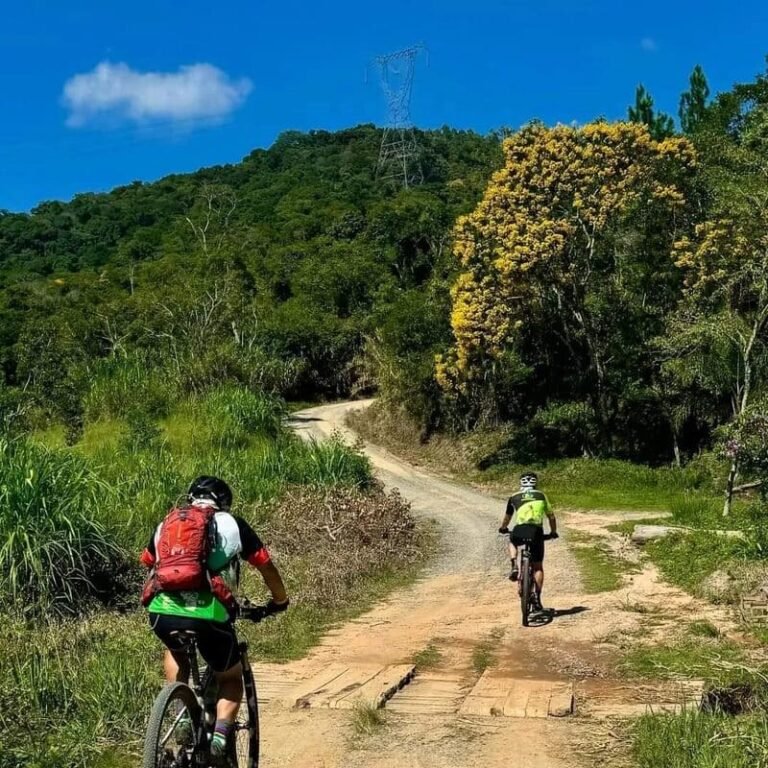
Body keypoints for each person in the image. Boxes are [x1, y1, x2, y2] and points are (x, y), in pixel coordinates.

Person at [141, 476, 289, 764]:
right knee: (230, 677)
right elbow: (265, 565)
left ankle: (181, 711)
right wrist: (280, 600)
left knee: (175, 650)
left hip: (161, 610)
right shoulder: (232, 524)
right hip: (208, 615)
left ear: (191, 498)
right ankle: (220, 736)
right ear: (224, 502)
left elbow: (147, 561)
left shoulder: (167, 524)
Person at [498, 471, 557, 612]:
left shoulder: (514, 497)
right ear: (535, 482)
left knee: (512, 541)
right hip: (536, 531)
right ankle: (537, 596)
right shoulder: (541, 495)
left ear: (521, 483)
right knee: (537, 567)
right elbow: (551, 516)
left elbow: (507, 517)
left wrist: (503, 528)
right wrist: (553, 532)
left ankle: (514, 564)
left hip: (519, 529)